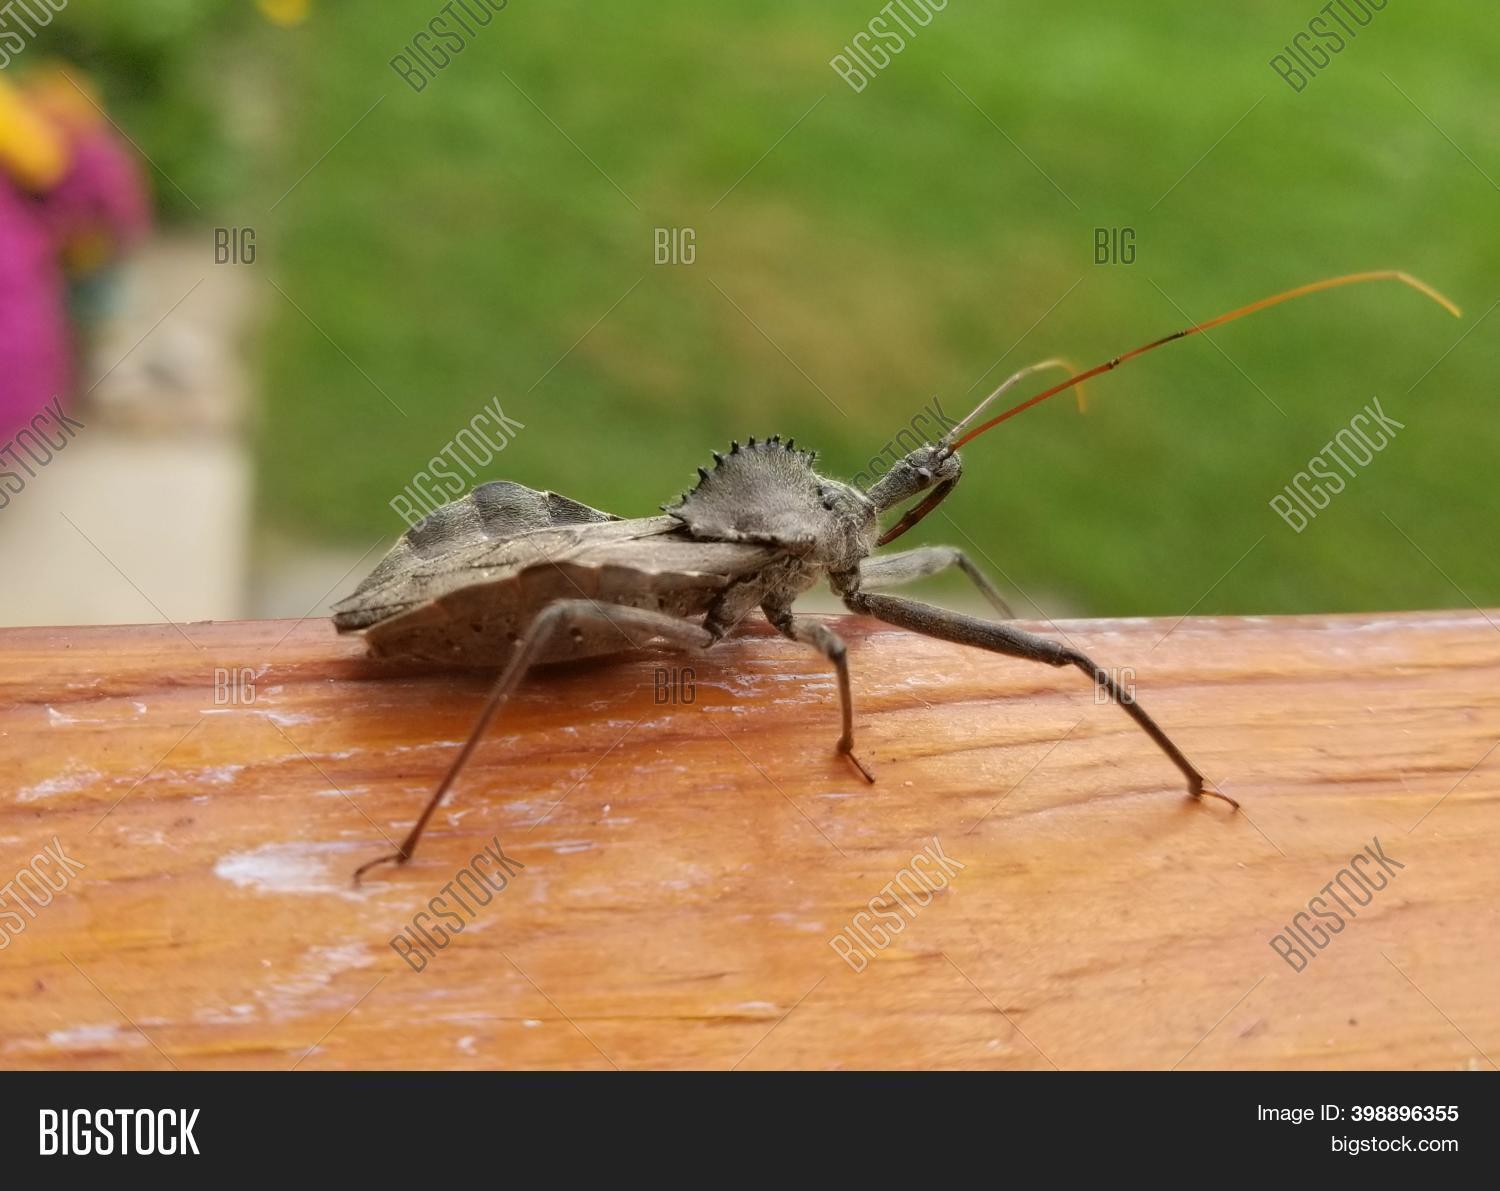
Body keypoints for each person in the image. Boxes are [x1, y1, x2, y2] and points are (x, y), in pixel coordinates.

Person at [0, 65, 150, 443]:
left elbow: (118, 207)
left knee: (98, 323)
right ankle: (85, 389)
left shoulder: (93, 157)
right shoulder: (61, 151)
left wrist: (114, 240)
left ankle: (101, 390)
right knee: (76, 323)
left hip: (96, 259)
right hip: (71, 257)